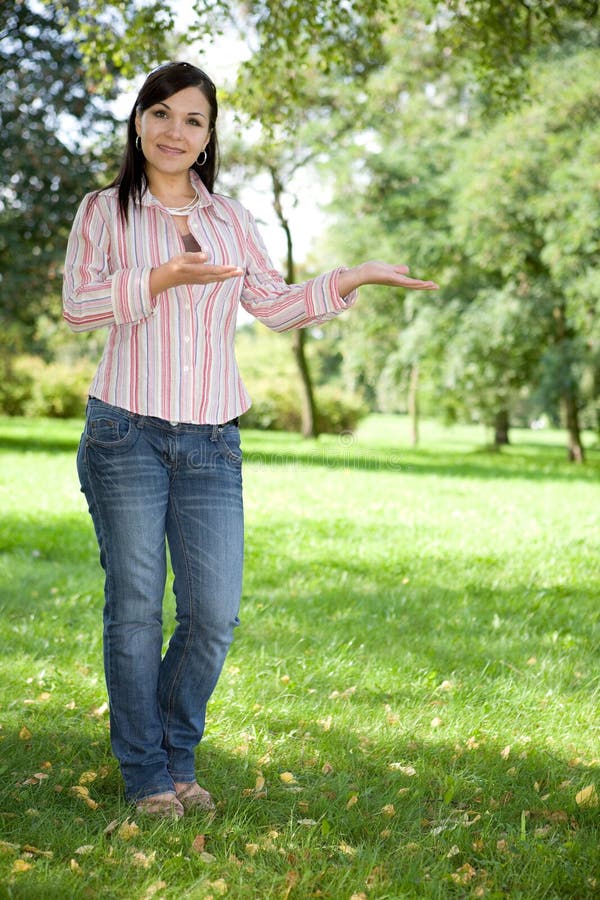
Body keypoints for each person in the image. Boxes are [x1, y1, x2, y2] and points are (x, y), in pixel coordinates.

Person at [62, 61, 438, 820]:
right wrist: (163, 277)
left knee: (213, 614)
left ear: (207, 137)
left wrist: (351, 278)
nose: (175, 131)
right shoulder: (104, 211)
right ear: (139, 122)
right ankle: (147, 774)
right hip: (124, 431)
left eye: (193, 120)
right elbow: (78, 307)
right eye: (161, 114)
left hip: (211, 441)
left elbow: (272, 304)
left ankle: (175, 749)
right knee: (135, 607)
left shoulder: (231, 218)